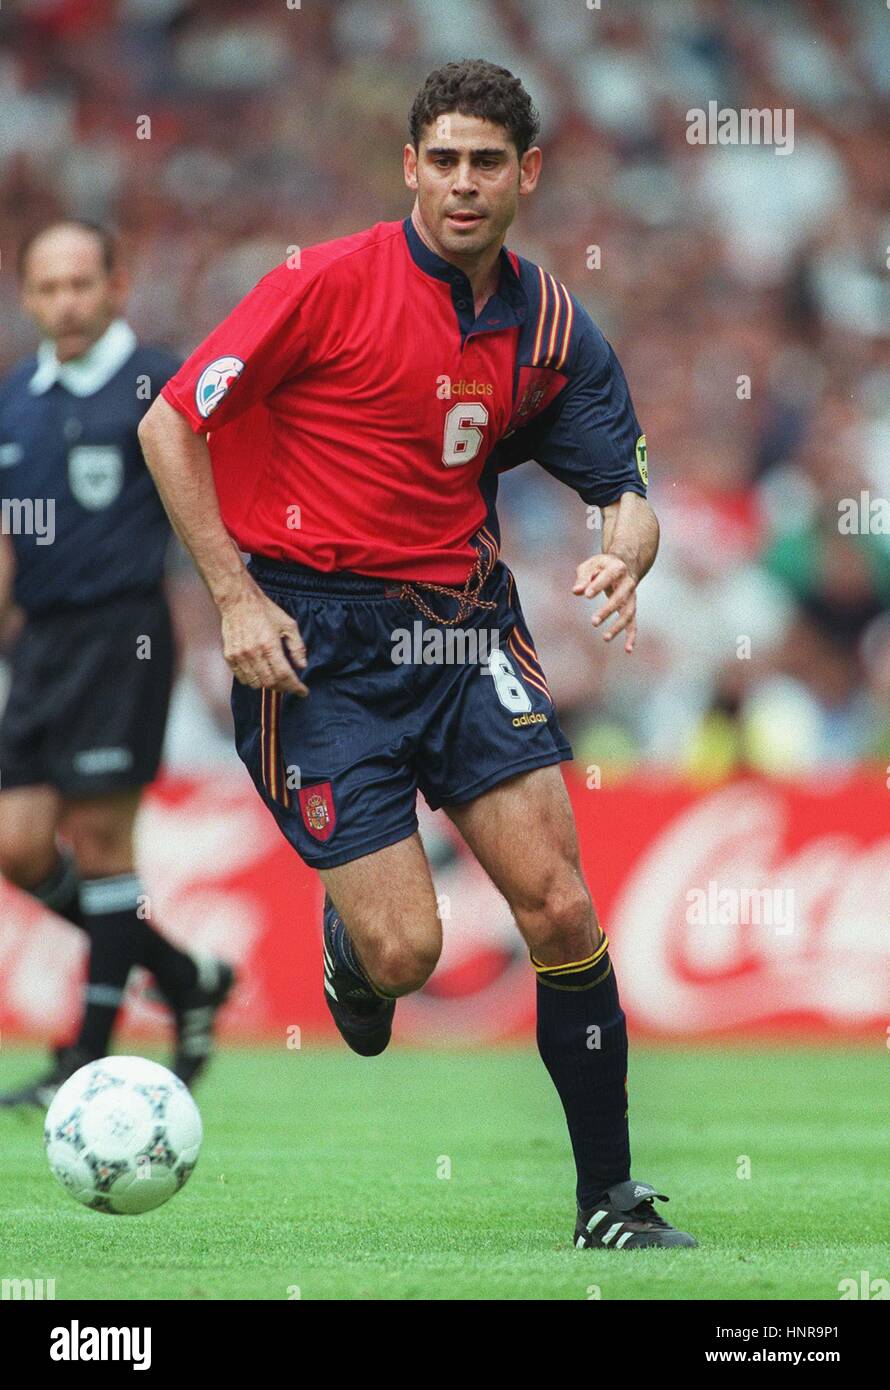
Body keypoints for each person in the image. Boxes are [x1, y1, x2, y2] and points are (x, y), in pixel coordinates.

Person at [139, 60, 695, 1249]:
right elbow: (170, 422)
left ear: (524, 175)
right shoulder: (322, 283)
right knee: (405, 951)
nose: (461, 182)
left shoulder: (547, 323)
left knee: (555, 902)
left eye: (485, 162)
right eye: (440, 158)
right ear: (408, 166)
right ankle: (356, 948)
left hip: (463, 629)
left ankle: (608, 1196)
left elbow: (626, 487)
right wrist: (233, 599)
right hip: (311, 642)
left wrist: (624, 549)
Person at [0, 221, 234, 1109]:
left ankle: (85, 1058)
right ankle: (181, 976)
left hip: (123, 636)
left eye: (80, 284)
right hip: (40, 644)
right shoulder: (15, 398)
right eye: (47, 286)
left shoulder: (161, 385)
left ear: (117, 285)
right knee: (18, 848)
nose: (65, 302)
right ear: (27, 296)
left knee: (102, 846)